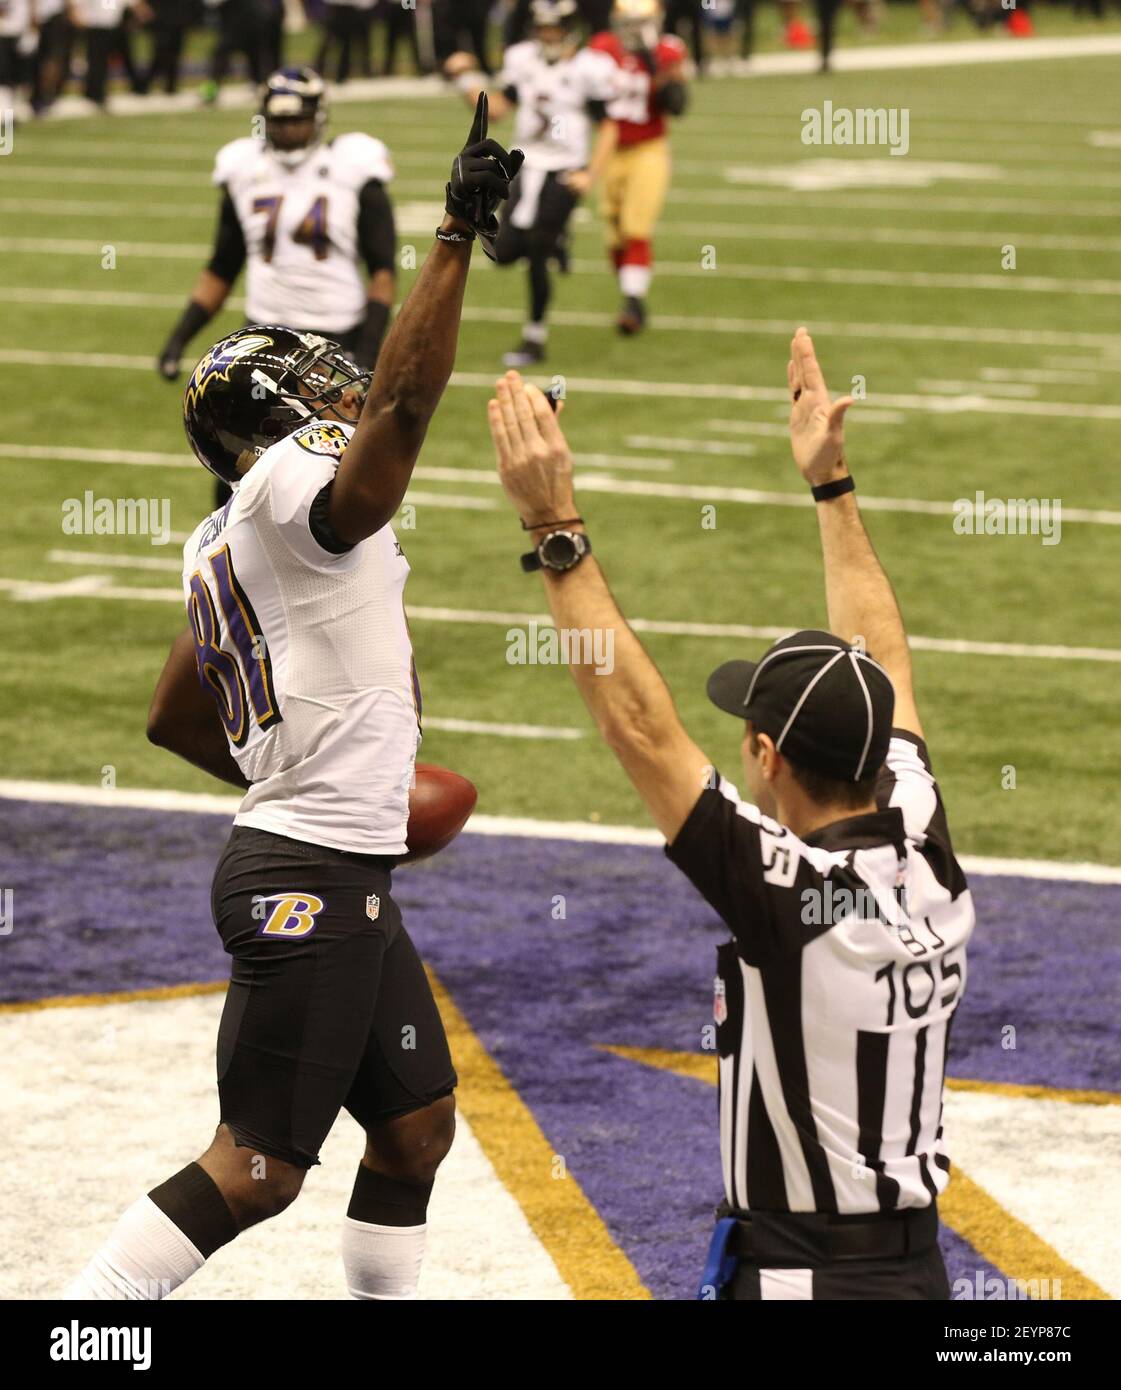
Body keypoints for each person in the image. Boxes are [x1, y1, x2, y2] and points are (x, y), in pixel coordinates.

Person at [63, 97, 524, 1304]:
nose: (339, 389)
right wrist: (454, 234)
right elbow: (405, 410)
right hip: (307, 876)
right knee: (259, 1168)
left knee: (416, 1125)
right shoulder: (283, 489)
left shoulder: (224, 532)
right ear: (269, 422)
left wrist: (307, 779)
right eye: (314, 383)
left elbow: (174, 713)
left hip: (319, 852)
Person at [485, 328, 974, 1301]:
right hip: (914, 1269)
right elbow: (881, 655)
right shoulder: (919, 834)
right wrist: (829, 486)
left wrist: (553, 524)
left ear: (766, 755)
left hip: (804, 1276)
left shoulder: (790, 894)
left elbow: (638, 726)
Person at [156, 68, 398, 505]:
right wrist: (179, 337)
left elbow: (383, 271)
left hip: (334, 340)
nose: (287, 130)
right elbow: (222, 267)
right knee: (239, 460)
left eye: (296, 119)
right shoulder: (243, 169)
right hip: (263, 341)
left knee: (334, 469)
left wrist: (366, 349)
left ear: (319, 116)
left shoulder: (353, 167)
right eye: (279, 120)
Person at [446, 0, 619, 367]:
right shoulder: (523, 59)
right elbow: (498, 110)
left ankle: (535, 336)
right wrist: (465, 77)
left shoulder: (590, 67)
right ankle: (557, 240)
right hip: (526, 166)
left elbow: (610, 125)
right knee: (505, 253)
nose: (548, 36)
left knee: (537, 248)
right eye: (543, 28)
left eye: (554, 28)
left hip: (564, 171)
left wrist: (591, 173)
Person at [589, 0, 687, 335]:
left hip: (649, 147)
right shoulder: (600, 49)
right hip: (611, 150)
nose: (634, 30)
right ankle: (634, 297)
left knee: (636, 225)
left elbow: (677, 103)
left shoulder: (667, 50)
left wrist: (650, 59)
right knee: (614, 233)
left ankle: (631, 301)